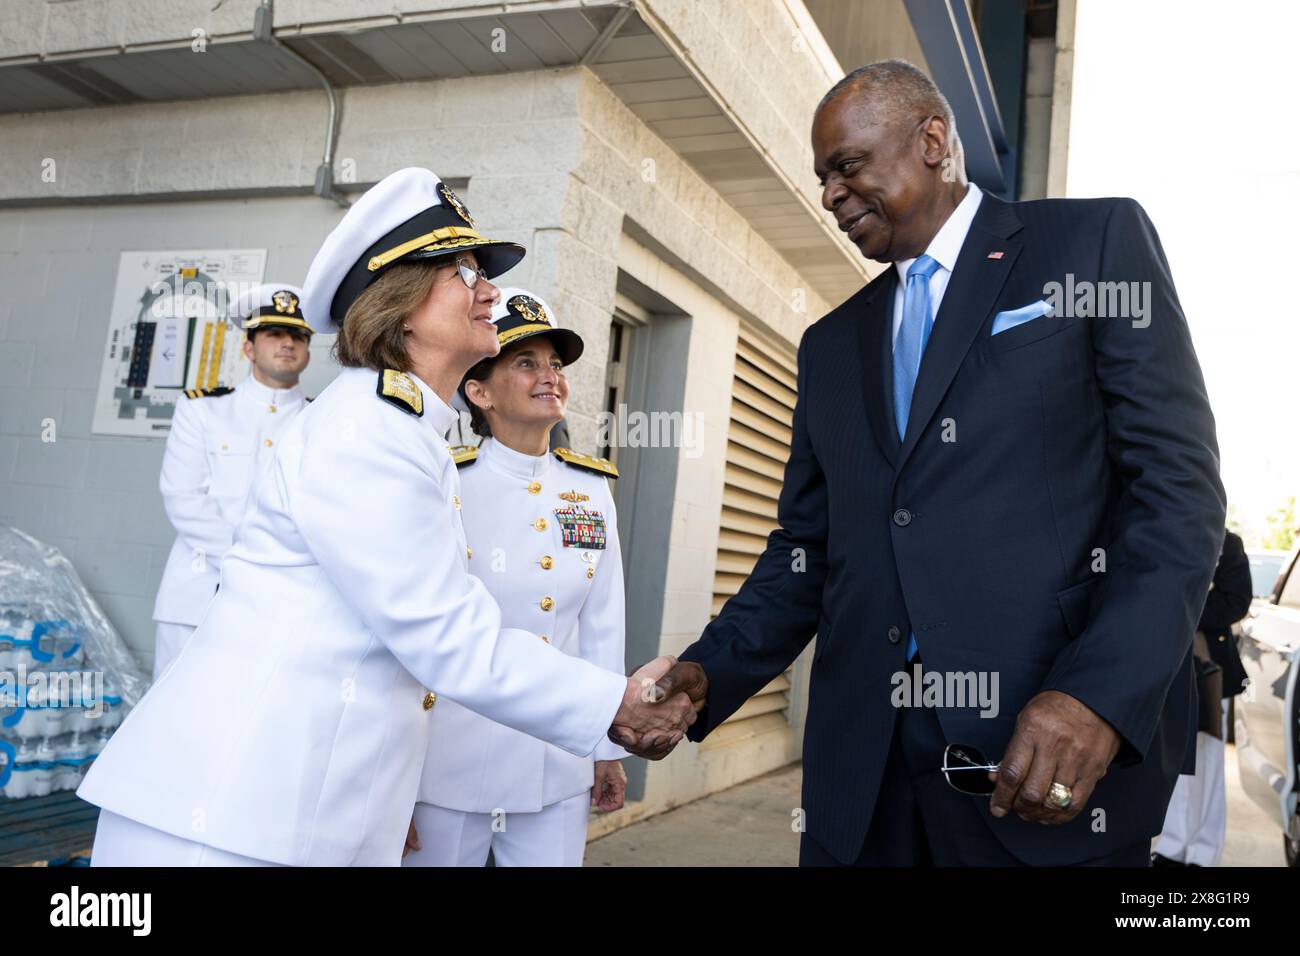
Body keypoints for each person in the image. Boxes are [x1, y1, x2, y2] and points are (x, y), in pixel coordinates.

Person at [647, 60, 1225, 866]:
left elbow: (1178, 496)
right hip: (862, 784)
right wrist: (705, 674)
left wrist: (1098, 694)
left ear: (932, 140)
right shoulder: (830, 346)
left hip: (1036, 765)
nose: (831, 195)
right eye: (822, 178)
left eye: (847, 166)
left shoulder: (1092, 244)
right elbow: (804, 552)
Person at [77, 168, 694, 866]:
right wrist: (617, 708)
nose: (489, 289)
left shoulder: (400, 427)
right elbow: (448, 636)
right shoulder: (368, 432)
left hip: (288, 816)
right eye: (464, 270)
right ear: (400, 307)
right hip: (227, 819)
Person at [403, 289, 628, 867]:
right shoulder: (447, 480)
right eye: (525, 362)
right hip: (450, 761)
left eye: (554, 363)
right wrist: (393, 779)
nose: (548, 375)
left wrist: (606, 747)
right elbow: (411, 639)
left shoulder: (590, 488)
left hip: (555, 760)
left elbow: (602, 626)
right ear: (478, 392)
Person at [151, 283, 313, 679]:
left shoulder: (320, 420)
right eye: (274, 334)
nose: (287, 344)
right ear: (248, 347)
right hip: (196, 595)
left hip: (281, 603)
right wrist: (248, 563)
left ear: (308, 351)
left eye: (297, 336)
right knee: (170, 717)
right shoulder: (203, 409)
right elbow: (183, 496)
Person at [1154, 528, 1253, 866]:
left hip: (1210, 671)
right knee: (1170, 761)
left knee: (1208, 763)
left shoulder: (1229, 544)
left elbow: (1236, 602)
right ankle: (1171, 845)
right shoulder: (1167, 533)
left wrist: (1183, 600)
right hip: (1168, 668)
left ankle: (1203, 851)